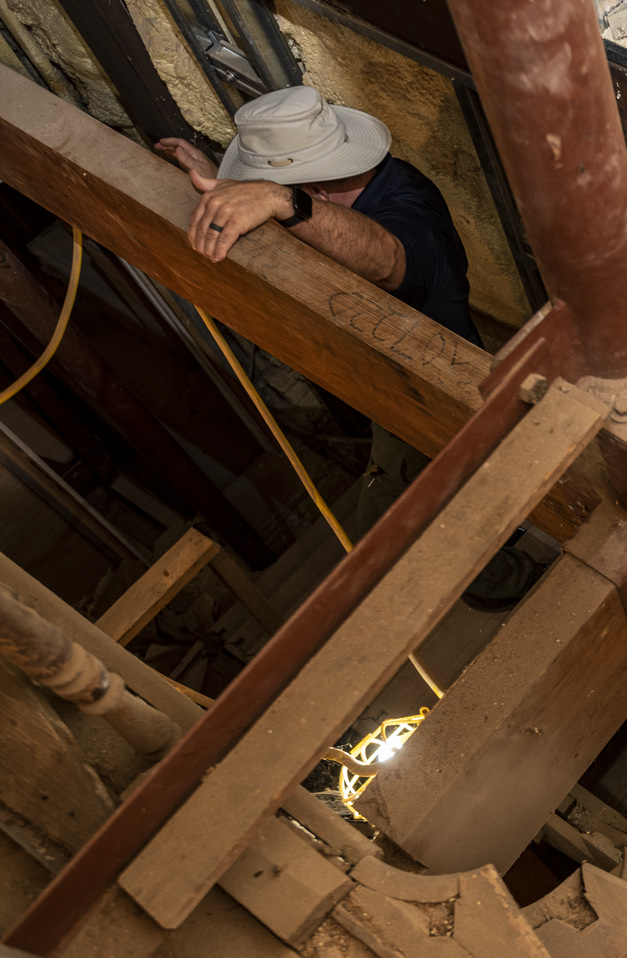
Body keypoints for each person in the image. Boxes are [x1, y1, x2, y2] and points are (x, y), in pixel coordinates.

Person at [157, 86, 540, 610]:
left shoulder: (406, 204)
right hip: (392, 387)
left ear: (310, 185)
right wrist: (230, 189)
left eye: (280, 184)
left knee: (392, 538)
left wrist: (277, 199)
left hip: (434, 391)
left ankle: (521, 585)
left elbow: (385, 257)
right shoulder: (337, 196)